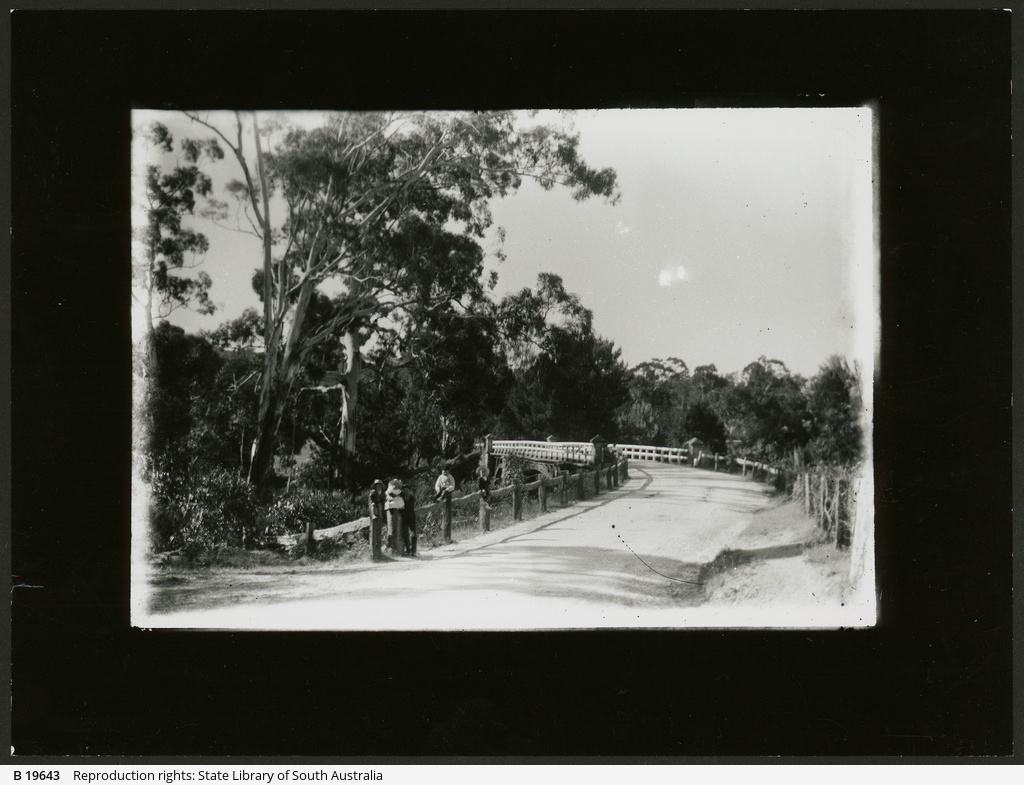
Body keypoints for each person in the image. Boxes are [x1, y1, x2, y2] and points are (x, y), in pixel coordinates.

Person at [384, 478, 406, 554]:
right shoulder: (389, 491)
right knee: (391, 528)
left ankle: (397, 548)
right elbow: (388, 496)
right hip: (391, 508)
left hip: (397, 508)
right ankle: (391, 548)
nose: (395, 485)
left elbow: (400, 500)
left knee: (397, 528)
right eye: (394, 484)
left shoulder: (400, 492)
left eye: (396, 484)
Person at [368, 479, 386, 560]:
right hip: (375, 510)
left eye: (380, 485)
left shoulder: (382, 493)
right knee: (374, 532)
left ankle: (378, 552)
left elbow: (383, 502)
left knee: (379, 532)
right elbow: (371, 501)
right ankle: (374, 554)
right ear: (375, 486)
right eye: (377, 485)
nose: (378, 486)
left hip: (380, 511)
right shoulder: (373, 492)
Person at [400, 483, 418, 556]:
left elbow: (410, 507)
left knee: (414, 534)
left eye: (407, 490)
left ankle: (413, 551)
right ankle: (408, 550)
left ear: (409, 491)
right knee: (405, 534)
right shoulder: (401, 498)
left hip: (411, 517)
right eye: (404, 490)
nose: (406, 491)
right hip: (404, 518)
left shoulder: (411, 498)